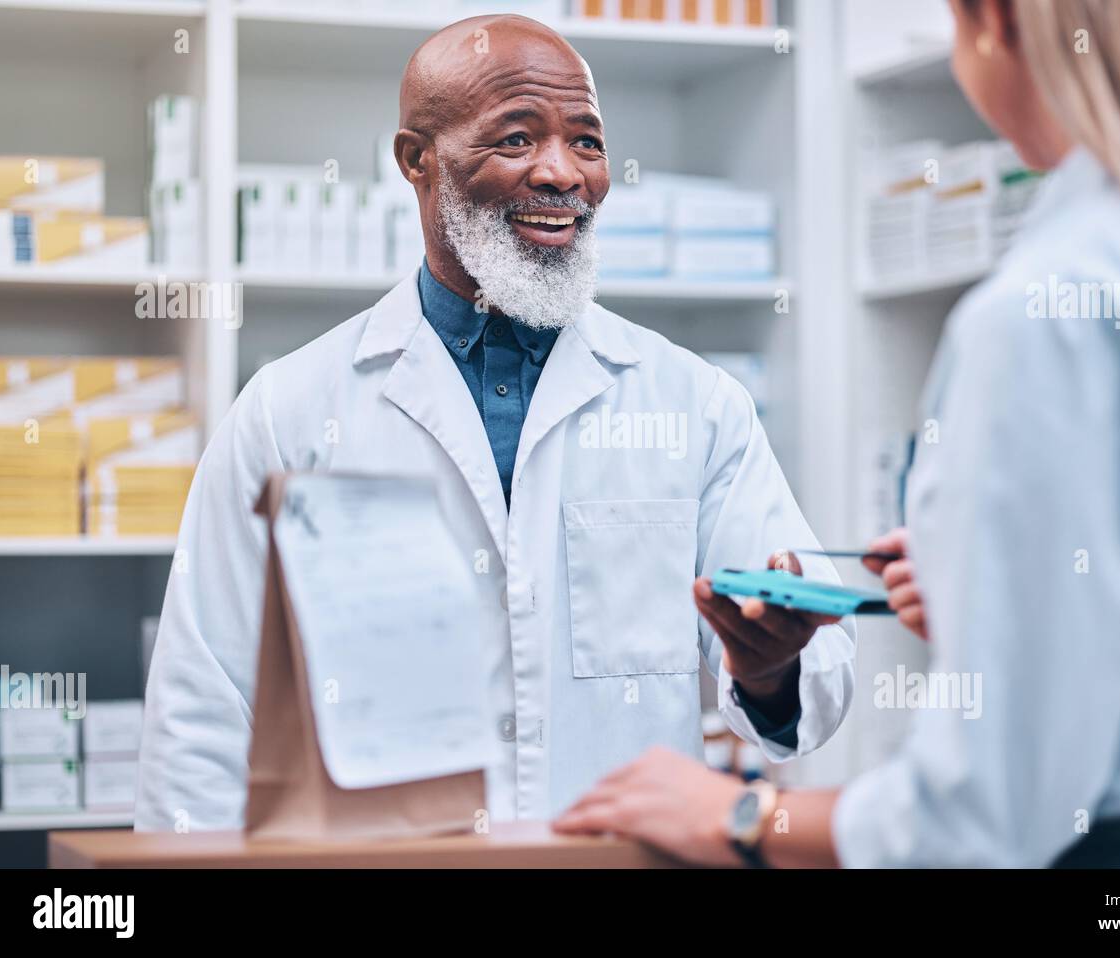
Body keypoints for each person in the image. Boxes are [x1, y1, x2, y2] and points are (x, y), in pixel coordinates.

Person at [555, 0, 1120, 867]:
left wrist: (737, 815)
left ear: (996, 22)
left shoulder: (1049, 313)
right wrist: (1007, 603)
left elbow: (978, 821)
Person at [134, 15, 855, 830]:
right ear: (417, 162)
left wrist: (769, 672)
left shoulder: (694, 404)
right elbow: (202, 710)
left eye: (586, 142)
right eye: (516, 138)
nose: (561, 174)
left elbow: (820, 667)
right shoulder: (290, 410)